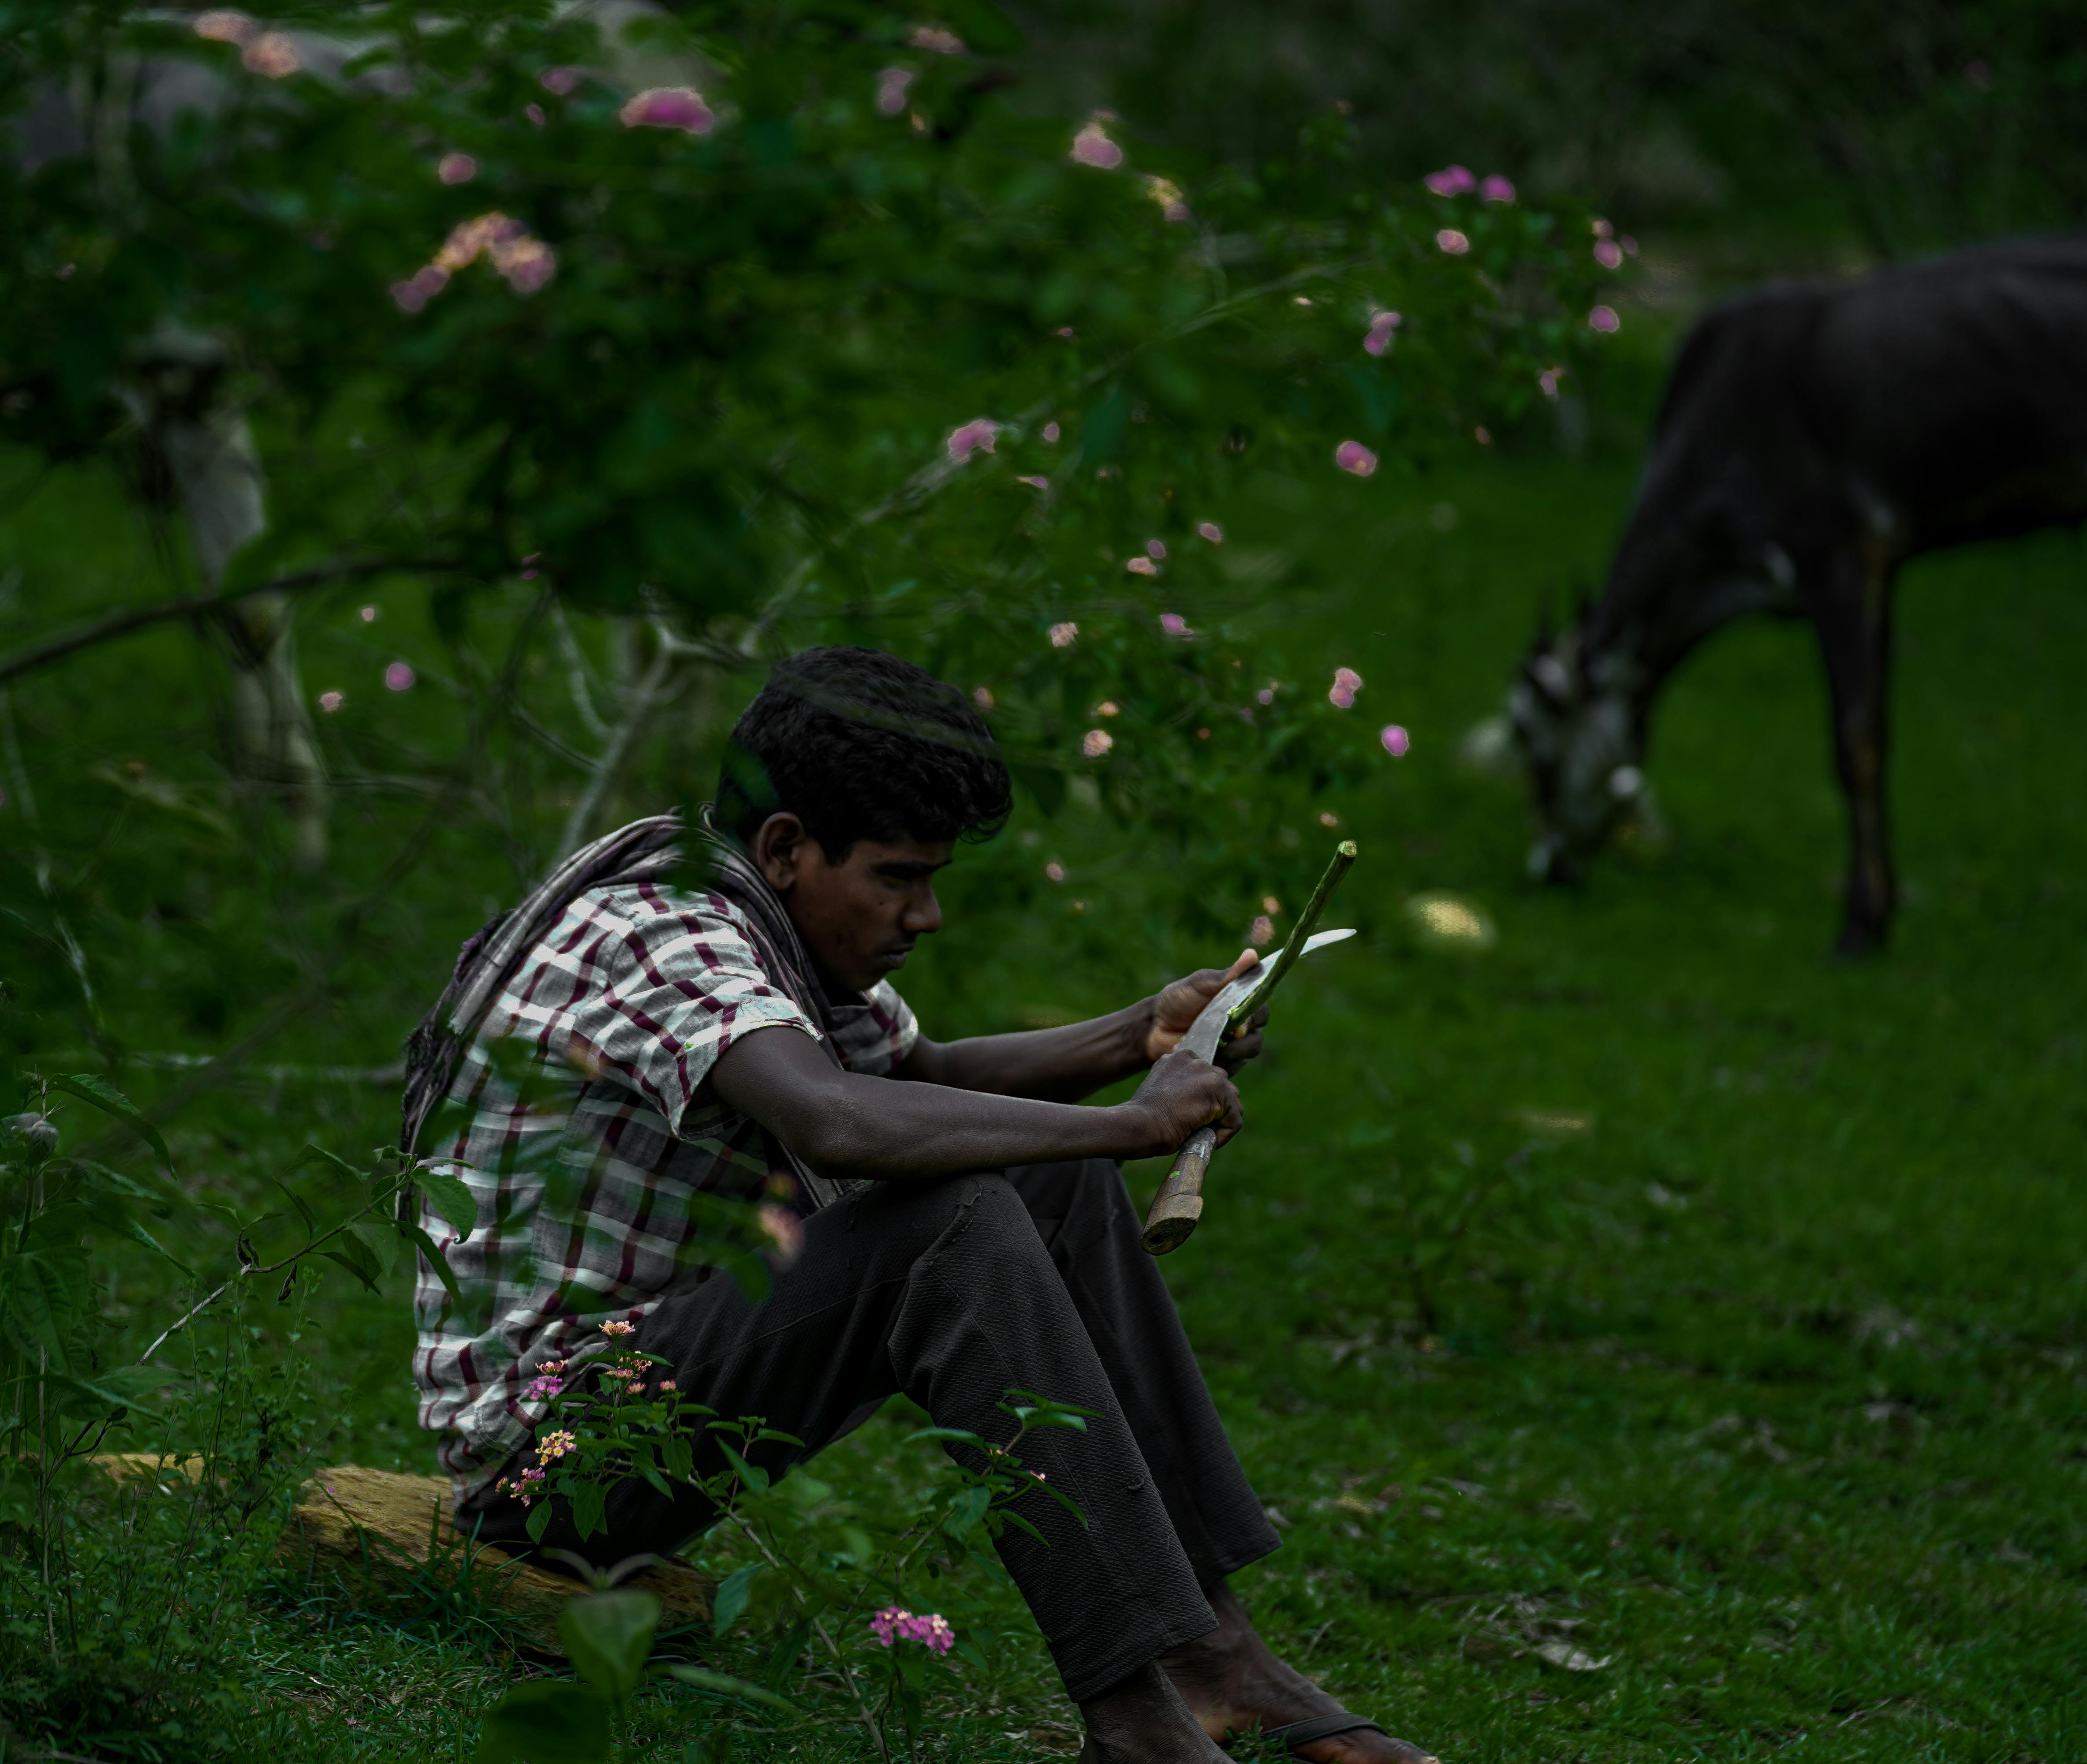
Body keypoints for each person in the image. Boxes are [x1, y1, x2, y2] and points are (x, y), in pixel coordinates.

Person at [399, 646, 1437, 1764]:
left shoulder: (758, 903)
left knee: (1046, 1174)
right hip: (555, 1467)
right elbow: (840, 1123)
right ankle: (1138, 1722)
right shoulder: (667, 928)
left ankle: (1215, 1656)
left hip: (655, 1399)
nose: (926, 913)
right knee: (951, 1223)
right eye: (898, 876)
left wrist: (1139, 1031)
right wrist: (1136, 1124)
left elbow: (913, 1075)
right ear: (789, 846)